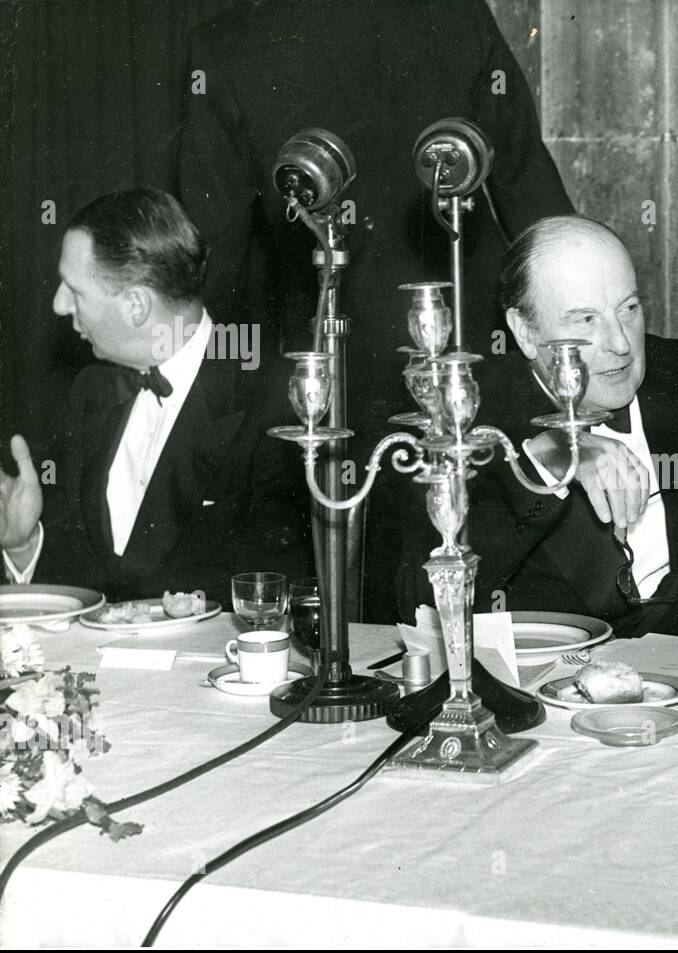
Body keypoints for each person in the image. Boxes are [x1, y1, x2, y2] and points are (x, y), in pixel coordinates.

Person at [179, 0, 574, 620]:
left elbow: (215, 254)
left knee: (343, 602)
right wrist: (575, 337)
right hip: (466, 355)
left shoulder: (225, 43)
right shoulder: (459, 15)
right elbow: (528, 189)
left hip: (320, 371)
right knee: (462, 579)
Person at [396, 215, 678, 640]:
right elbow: (417, 597)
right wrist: (547, 459)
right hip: (545, 683)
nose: (620, 343)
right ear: (525, 332)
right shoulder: (463, 419)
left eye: (629, 308)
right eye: (585, 320)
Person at [0, 188, 311, 605]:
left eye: (73, 290)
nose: (58, 305)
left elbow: (279, 602)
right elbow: (82, 587)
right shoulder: (91, 394)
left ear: (136, 306)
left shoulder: (273, 405)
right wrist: (25, 543)